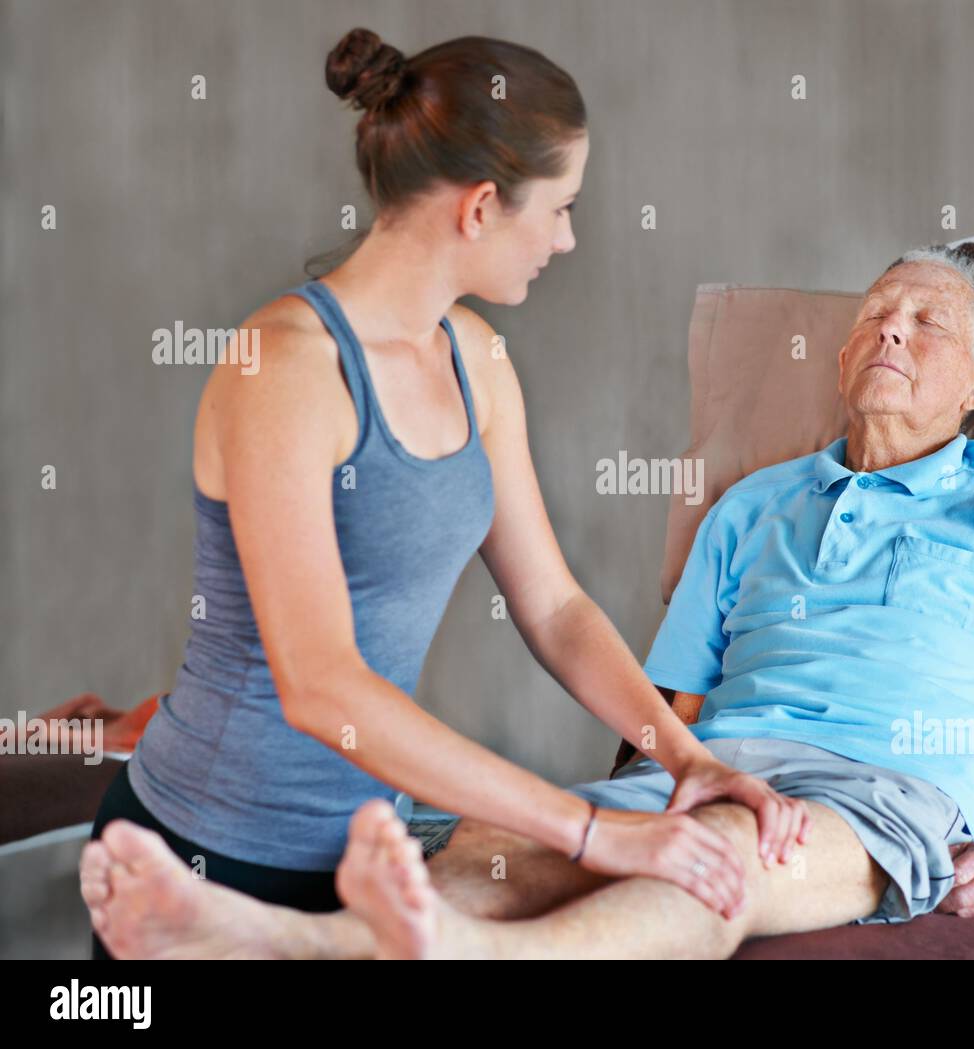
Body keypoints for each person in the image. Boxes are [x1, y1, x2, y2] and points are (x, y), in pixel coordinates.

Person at [82, 246, 974, 959]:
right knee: (488, 861)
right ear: (842, 358)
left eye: (925, 322)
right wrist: (606, 817)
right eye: (874, 317)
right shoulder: (750, 504)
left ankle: (319, 943)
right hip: (709, 769)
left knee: (711, 878)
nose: (891, 332)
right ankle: (287, 934)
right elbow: (660, 713)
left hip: (877, 797)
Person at [85, 29, 808, 960]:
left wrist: (687, 756)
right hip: (208, 851)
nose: (567, 238)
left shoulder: (476, 357)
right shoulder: (288, 371)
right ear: (478, 208)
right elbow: (318, 684)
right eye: (559, 209)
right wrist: (587, 827)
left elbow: (552, 606)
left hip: (363, 851)